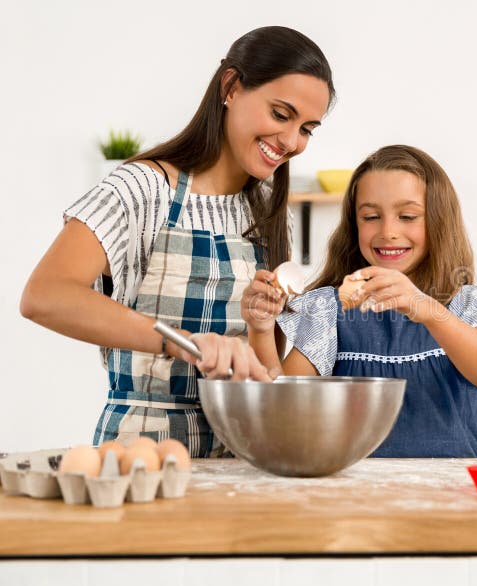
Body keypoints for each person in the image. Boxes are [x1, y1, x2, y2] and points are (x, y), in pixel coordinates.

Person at [19, 26, 335, 457]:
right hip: (142, 456)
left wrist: (262, 330)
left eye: (307, 129)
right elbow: (45, 295)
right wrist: (184, 342)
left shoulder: (266, 215)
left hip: (242, 462)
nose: (292, 142)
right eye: (281, 115)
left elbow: (266, 375)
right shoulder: (143, 189)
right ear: (231, 86)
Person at [244, 145, 477, 457]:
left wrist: (425, 309)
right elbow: (281, 409)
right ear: (354, 224)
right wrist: (260, 330)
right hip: (358, 494)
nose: (388, 231)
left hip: (452, 496)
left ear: (438, 221)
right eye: (370, 216)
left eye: (407, 216)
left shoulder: (469, 303)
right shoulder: (330, 309)